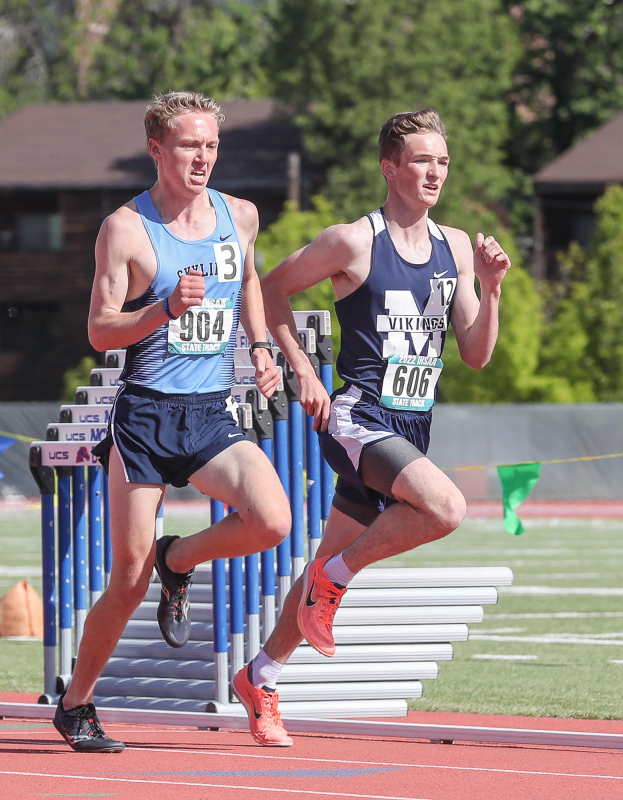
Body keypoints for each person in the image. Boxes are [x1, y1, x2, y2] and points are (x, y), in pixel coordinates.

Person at [231, 108, 511, 746]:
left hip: (412, 427)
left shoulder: (457, 246)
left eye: (441, 160)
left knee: (328, 556)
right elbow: (269, 291)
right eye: (421, 160)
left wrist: (491, 291)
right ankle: (336, 580)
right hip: (357, 417)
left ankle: (261, 676)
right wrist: (299, 365)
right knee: (445, 507)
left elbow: (474, 353)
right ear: (390, 168)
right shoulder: (354, 241)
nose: (434, 171)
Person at [52, 91, 291, 753]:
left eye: (211, 145)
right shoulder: (124, 228)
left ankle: (178, 559)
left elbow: (247, 281)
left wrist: (262, 347)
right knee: (126, 579)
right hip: (146, 419)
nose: (203, 158)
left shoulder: (239, 216)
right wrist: (162, 311)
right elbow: (100, 331)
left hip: (210, 412)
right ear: (157, 149)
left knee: (273, 519)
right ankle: (77, 703)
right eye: (190, 145)